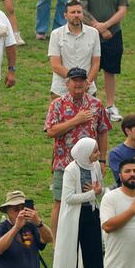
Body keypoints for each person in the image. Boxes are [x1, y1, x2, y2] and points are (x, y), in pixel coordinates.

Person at [45, 66, 111, 214]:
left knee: (89, 201)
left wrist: (102, 160)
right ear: (67, 83)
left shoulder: (97, 104)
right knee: (60, 202)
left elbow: (103, 133)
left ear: (87, 84)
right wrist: (75, 120)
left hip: (90, 165)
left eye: (82, 80)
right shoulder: (57, 105)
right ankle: (58, 238)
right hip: (63, 163)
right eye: (75, 81)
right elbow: (50, 131)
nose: (78, 84)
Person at [52, 138, 106, 268]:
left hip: (91, 214)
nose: (98, 154)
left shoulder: (95, 166)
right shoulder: (71, 170)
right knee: (67, 254)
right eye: (95, 151)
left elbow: (100, 189)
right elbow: (69, 198)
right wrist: (92, 193)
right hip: (73, 218)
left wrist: (96, 192)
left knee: (94, 255)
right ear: (85, 153)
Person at [48, 0, 101, 98]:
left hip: (88, 90)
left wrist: (86, 82)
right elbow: (55, 65)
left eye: (79, 12)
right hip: (61, 91)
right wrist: (76, 81)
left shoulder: (93, 33)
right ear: (65, 15)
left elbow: (96, 63)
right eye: (72, 12)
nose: (76, 15)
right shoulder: (56, 34)